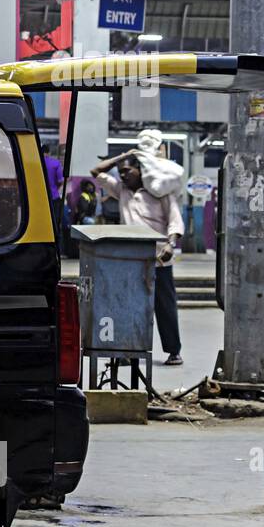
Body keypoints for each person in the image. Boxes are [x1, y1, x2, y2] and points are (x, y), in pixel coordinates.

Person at [90, 150, 185, 366]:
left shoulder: (160, 192)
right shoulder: (121, 190)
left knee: (164, 306)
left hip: (159, 257)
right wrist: (124, 156)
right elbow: (95, 171)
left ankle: (173, 351)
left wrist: (171, 243)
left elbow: (175, 220)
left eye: (127, 170)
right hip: (130, 259)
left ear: (140, 170)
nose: (123, 175)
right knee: (129, 306)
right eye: (120, 172)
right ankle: (128, 352)